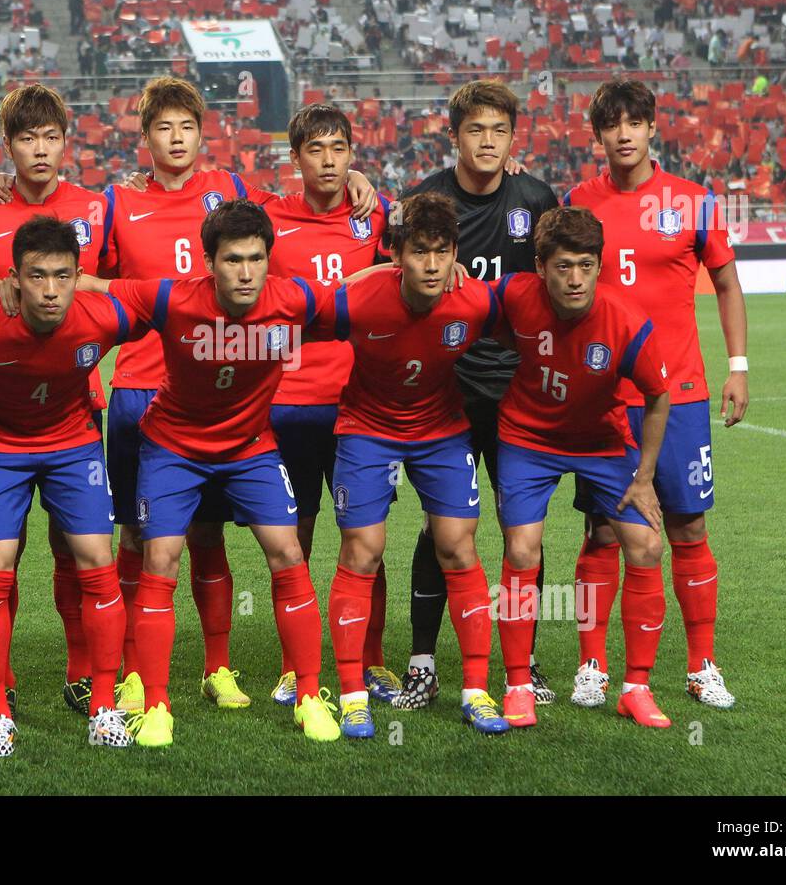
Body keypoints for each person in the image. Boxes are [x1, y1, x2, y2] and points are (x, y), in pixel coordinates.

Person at [84, 199, 342, 747]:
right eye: (232, 260)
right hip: (172, 447)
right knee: (161, 557)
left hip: (250, 447)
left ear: (269, 259)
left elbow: (357, 294)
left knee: (289, 553)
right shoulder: (171, 298)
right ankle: (155, 703)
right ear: (210, 262)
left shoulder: (292, 298)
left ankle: (311, 696)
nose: (245, 272)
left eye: (255, 259)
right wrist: (11, 286)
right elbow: (88, 284)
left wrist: (405, 269)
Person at [564, 78, 747, 709]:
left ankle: (701, 666)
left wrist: (739, 366)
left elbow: (725, 283)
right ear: (598, 135)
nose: (622, 134)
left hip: (682, 393)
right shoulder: (580, 202)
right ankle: (594, 666)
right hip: (607, 397)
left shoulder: (694, 202)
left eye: (632, 123)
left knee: (687, 527)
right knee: (603, 531)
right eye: (610, 125)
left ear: (650, 128)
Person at [315, 193, 511, 738]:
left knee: (458, 546)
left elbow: (532, 326)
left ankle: (476, 689)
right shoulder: (357, 300)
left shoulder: (475, 303)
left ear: (455, 254)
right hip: (366, 430)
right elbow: (292, 317)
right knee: (363, 550)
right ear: (399, 254)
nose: (430, 265)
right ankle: (353, 694)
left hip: (442, 431)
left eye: (441, 252)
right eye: (419, 252)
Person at [392, 80, 560, 710]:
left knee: (524, 533)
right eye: (475, 131)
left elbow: (559, 275)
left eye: (499, 131)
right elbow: (394, 273)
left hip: (519, 392)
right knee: (443, 528)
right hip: (450, 390)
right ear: (454, 136)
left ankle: (525, 659)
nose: (487, 143)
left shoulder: (535, 196)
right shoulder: (425, 201)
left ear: (512, 138)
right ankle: (423, 663)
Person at [0, 217, 141, 754]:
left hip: (73, 445)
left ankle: (103, 706)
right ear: (14, 277)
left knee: (96, 564)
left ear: (79, 275)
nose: (51, 290)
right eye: (37, 276)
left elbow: (173, 304)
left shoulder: (103, 316)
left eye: (63, 276)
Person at [0, 84, 113, 718]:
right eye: (27, 138)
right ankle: (3, 681)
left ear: (67, 140)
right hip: (2, 411)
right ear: (8, 145)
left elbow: (116, 285)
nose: (40, 150)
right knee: (4, 552)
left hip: (79, 401)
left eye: (51, 137)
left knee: (74, 551)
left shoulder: (98, 207)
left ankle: (81, 673)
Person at [490, 207, 672, 729]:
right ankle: (519, 685)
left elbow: (659, 398)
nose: (575, 279)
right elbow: (481, 315)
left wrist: (643, 477)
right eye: (564, 266)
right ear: (540, 266)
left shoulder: (628, 322)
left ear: (599, 265)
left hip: (602, 443)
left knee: (647, 545)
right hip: (527, 439)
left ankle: (635, 688)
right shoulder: (513, 295)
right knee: (522, 548)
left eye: (587, 266)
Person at [261, 103, 399, 707]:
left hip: (359, 406)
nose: (328, 161)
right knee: (295, 539)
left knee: (365, 538)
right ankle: (297, 666)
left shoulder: (378, 216)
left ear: (351, 154)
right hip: (288, 401)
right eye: (314, 149)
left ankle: (372, 659)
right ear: (295, 159)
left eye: (338, 149)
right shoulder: (269, 217)